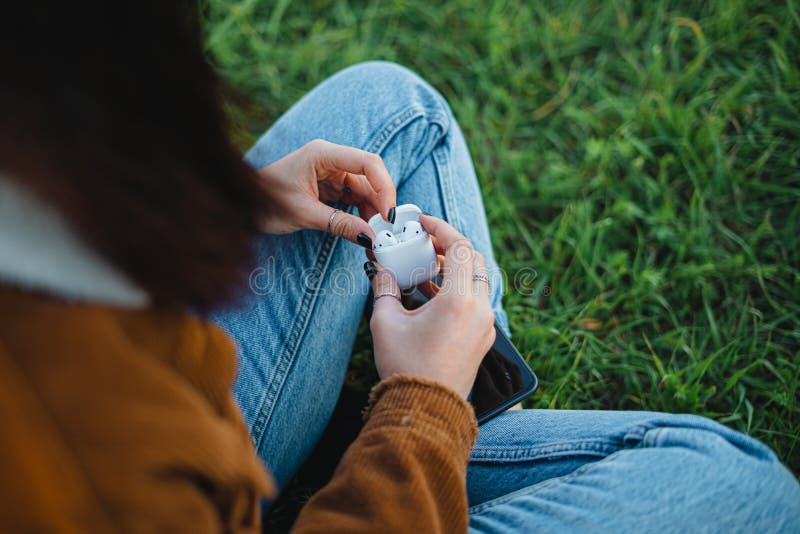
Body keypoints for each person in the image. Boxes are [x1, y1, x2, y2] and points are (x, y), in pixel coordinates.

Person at [1, 4, 798, 533]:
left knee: (392, 110)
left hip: (167, 394)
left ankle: (467, 405)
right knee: (739, 482)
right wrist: (418, 411)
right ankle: (450, 423)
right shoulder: (68, 463)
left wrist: (224, 203)